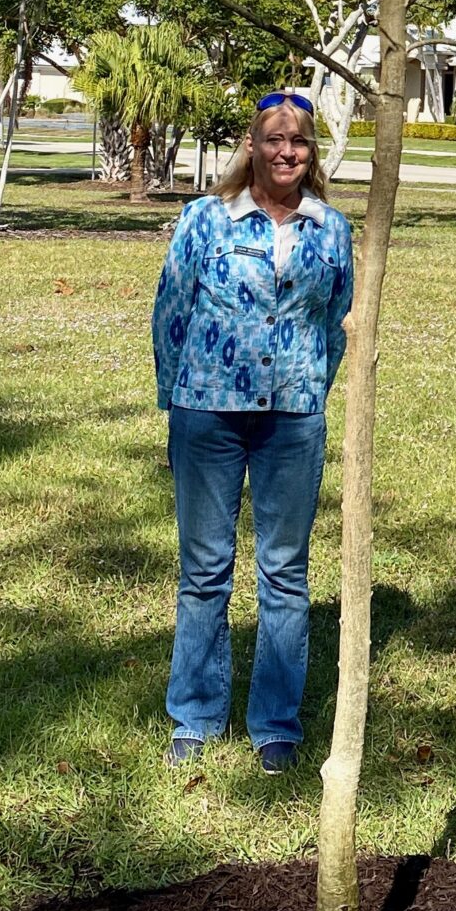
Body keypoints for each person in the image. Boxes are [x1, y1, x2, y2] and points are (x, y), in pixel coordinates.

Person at [151, 89, 353, 773]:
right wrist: (172, 399)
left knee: (285, 576)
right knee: (204, 572)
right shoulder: (206, 220)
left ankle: (275, 723)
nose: (286, 151)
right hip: (206, 412)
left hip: (292, 420)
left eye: (298, 140)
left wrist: (309, 389)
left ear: (311, 152)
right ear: (251, 146)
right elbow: (171, 312)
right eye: (273, 138)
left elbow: (336, 320)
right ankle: (197, 715)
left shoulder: (330, 228)